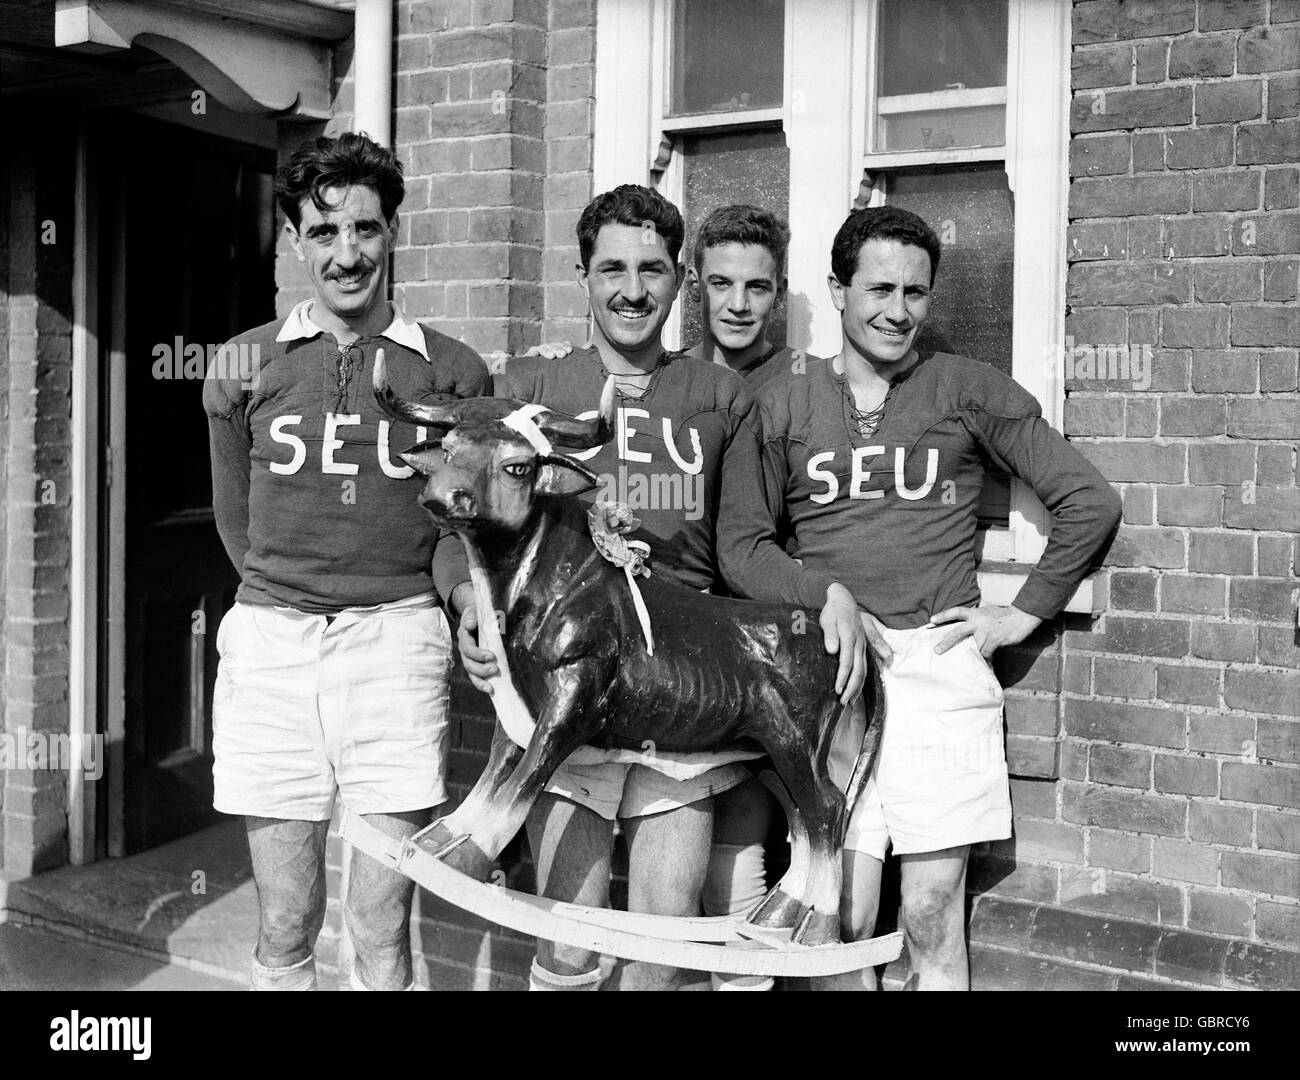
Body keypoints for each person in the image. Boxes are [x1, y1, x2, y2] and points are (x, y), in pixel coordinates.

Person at [448, 184, 868, 991]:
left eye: (651, 269)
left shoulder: (720, 398)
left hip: (680, 697)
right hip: (569, 696)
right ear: (583, 277)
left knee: (662, 946)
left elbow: (744, 546)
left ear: (678, 280)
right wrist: (470, 605)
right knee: (566, 943)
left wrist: (824, 593)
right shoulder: (533, 387)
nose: (632, 290)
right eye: (611, 268)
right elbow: (459, 525)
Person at [750, 205, 1121, 990]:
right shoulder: (783, 400)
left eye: (916, 293)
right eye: (878, 288)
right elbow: (742, 543)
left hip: (934, 668)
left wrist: (1020, 612)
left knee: (929, 908)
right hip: (834, 673)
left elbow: (1087, 500)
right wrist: (825, 592)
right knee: (839, 922)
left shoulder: (963, 388)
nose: (897, 310)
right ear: (837, 289)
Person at [203, 132, 489, 991]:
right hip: (272, 649)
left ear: (393, 231)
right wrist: (289, 593)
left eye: (365, 228)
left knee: (379, 925)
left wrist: (464, 598)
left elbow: (452, 528)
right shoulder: (241, 365)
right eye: (324, 232)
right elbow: (237, 525)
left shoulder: (452, 370)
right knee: (287, 922)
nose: (347, 252)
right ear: (295, 238)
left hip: (395, 643)